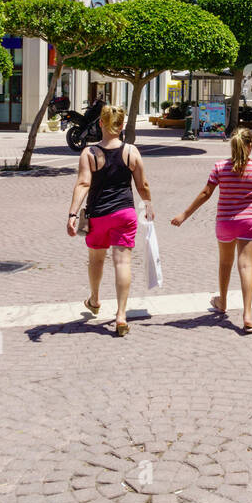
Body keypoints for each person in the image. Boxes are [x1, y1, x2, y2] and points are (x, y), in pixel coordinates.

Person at [66, 105, 153, 337]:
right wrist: (148, 205)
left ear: (100, 124)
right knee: (123, 263)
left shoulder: (89, 153)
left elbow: (83, 184)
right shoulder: (131, 152)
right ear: (121, 125)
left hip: (98, 215)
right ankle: (121, 315)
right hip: (124, 214)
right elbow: (142, 185)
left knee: (96, 260)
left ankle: (94, 300)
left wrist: (73, 214)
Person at [171, 128, 252, 333]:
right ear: (250, 146)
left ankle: (222, 301)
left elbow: (206, 193)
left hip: (225, 221)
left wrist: (184, 215)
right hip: (249, 222)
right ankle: (247, 314)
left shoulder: (220, 167)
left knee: (225, 263)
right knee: (246, 266)